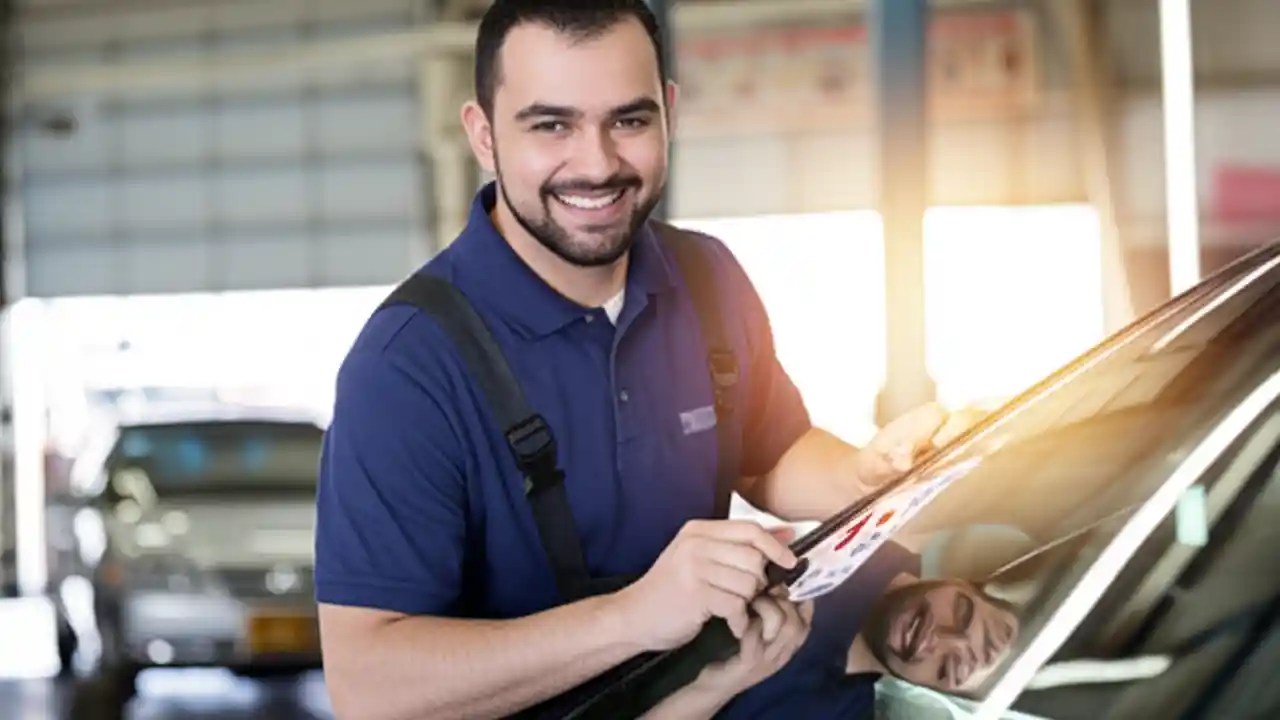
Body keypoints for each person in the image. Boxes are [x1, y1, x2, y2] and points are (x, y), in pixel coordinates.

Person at [314, 1, 966, 718]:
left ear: (669, 114)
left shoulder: (708, 277)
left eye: (629, 120)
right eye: (551, 125)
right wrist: (632, 618)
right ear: (482, 134)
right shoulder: (408, 367)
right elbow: (367, 687)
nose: (596, 164)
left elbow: (767, 454)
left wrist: (863, 474)